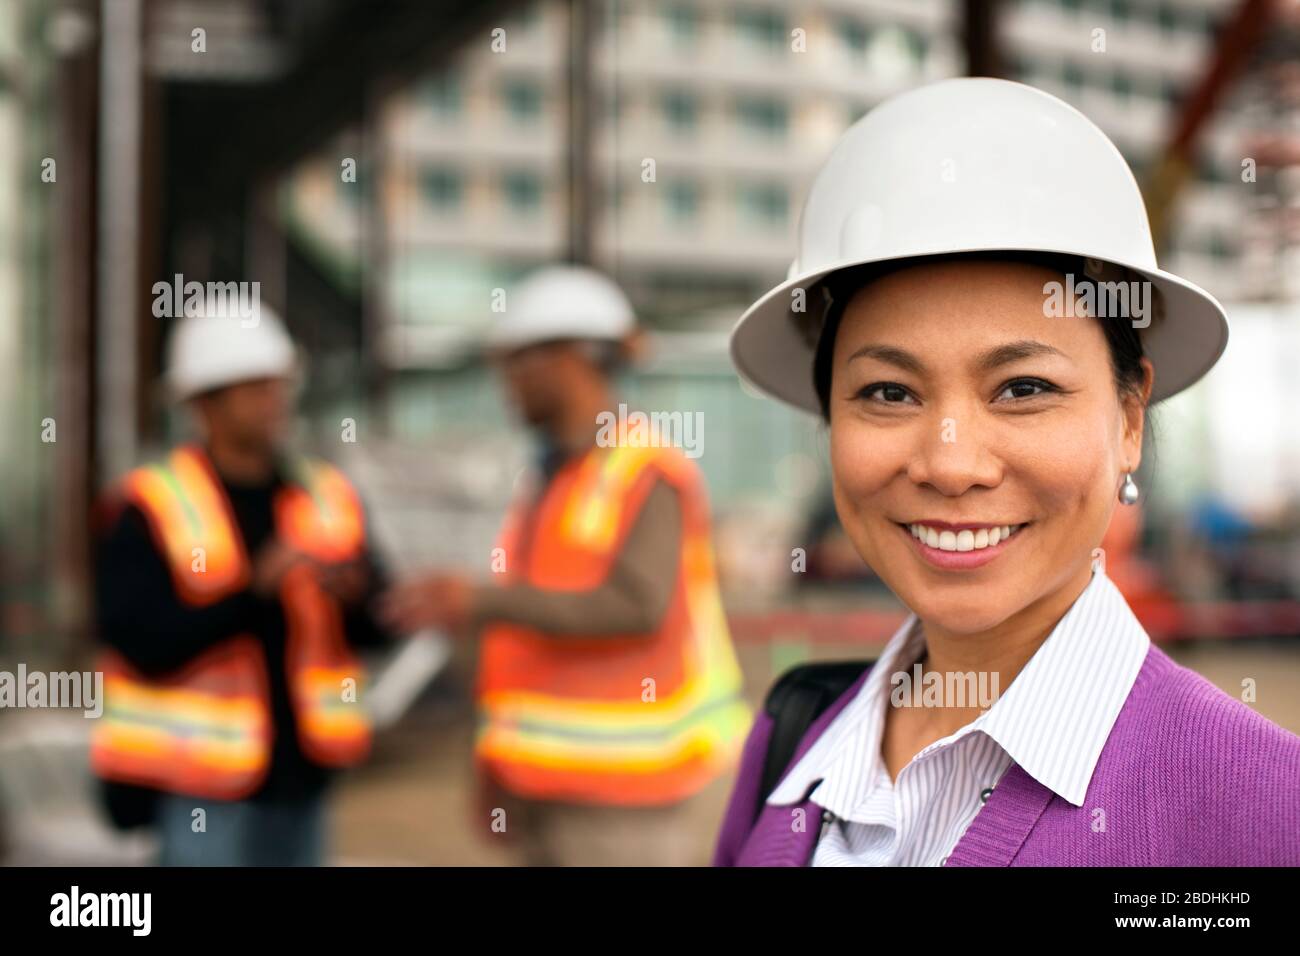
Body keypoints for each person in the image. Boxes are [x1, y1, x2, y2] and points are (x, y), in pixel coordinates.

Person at [714, 78, 1300, 866]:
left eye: (1024, 389)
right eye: (888, 392)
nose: (951, 464)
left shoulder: (1261, 806)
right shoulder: (792, 744)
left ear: (1129, 422)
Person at [381, 265, 750, 866]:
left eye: (517, 364)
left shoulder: (644, 471)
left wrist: (477, 600)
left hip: (622, 797)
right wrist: (497, 768)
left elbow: (637, 604)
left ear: (569, 360)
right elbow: (528, 636)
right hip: (544, 786)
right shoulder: (554, 476)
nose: (508, 384)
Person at [90, 299, 395, 866]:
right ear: (204, 402)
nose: (275, 402)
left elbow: (377, 625)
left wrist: (360, 602)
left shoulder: (327, 495)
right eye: (255, 388)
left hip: (303, 779)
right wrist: (252, 592)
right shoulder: (150, 505)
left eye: (278, 386)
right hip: (196, 789)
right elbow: (140, 642)